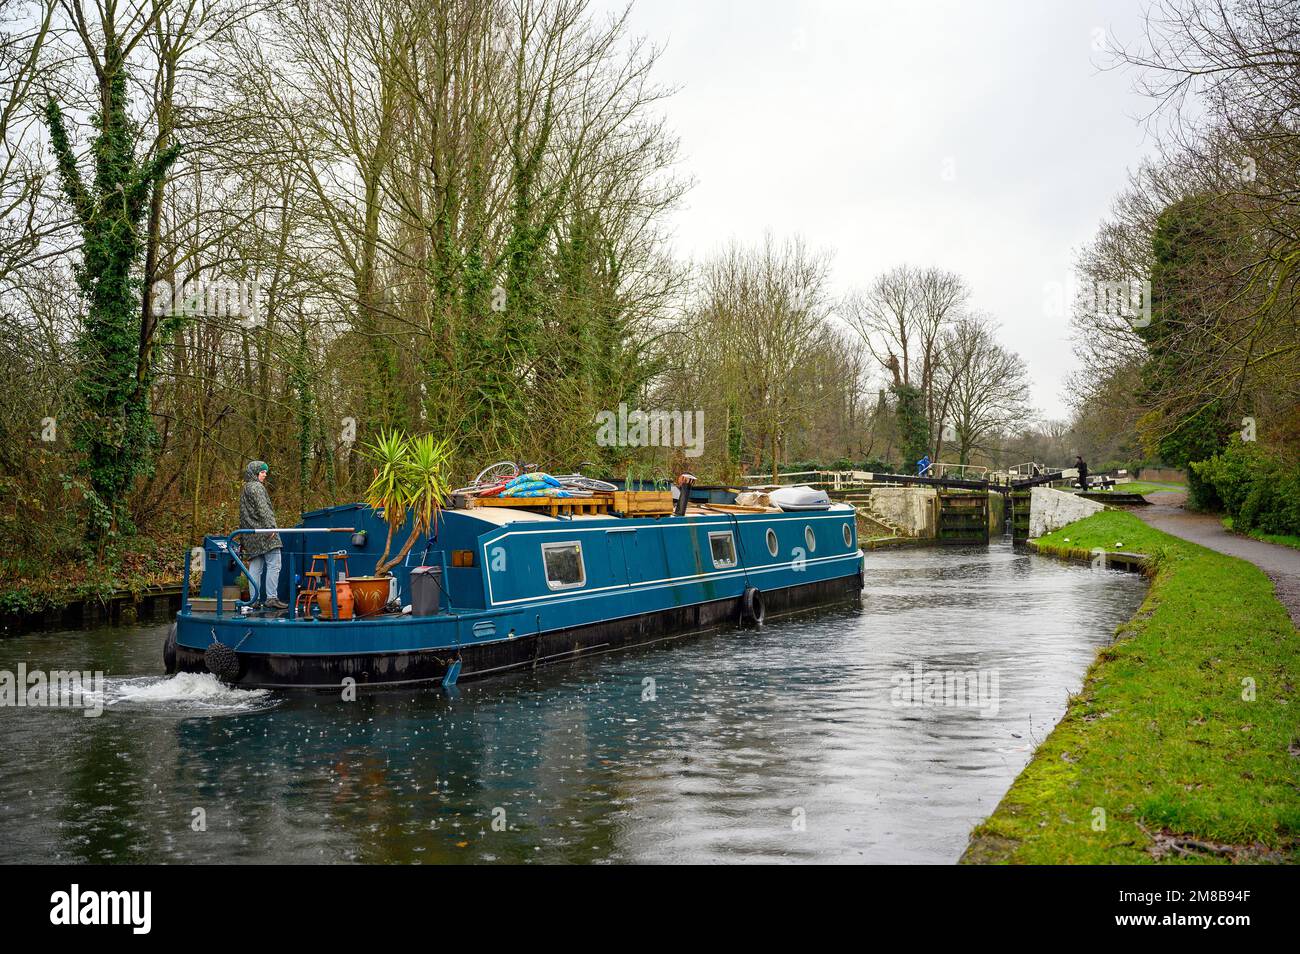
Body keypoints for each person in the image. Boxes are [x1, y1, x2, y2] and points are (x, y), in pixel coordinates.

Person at [240, 460, 286, 609]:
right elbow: (263, 509)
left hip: (251, 535)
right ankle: (271, 597)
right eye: (262, 472)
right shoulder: (257, 488)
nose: (265, 475)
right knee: (274, 562)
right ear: (255, 472)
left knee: (255, 567)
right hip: (265, 533)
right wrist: (271, 528)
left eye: (265, 472)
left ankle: (254, 599)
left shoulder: (246, 488)